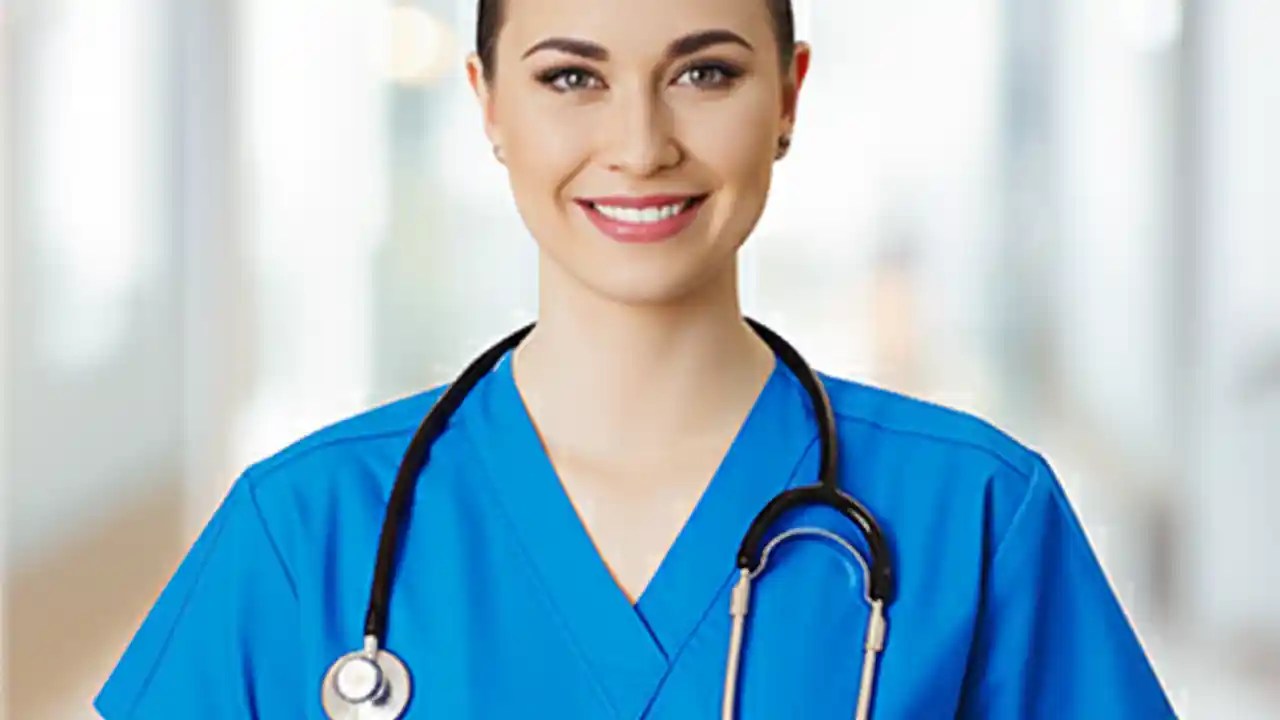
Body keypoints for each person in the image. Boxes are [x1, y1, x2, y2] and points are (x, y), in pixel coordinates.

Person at [94, 0, 1177, 717]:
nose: (640, 143)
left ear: (787, 97)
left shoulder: (975, 517)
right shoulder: (305, 530)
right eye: (571, 79)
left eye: (703, 72)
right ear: (487, 105)